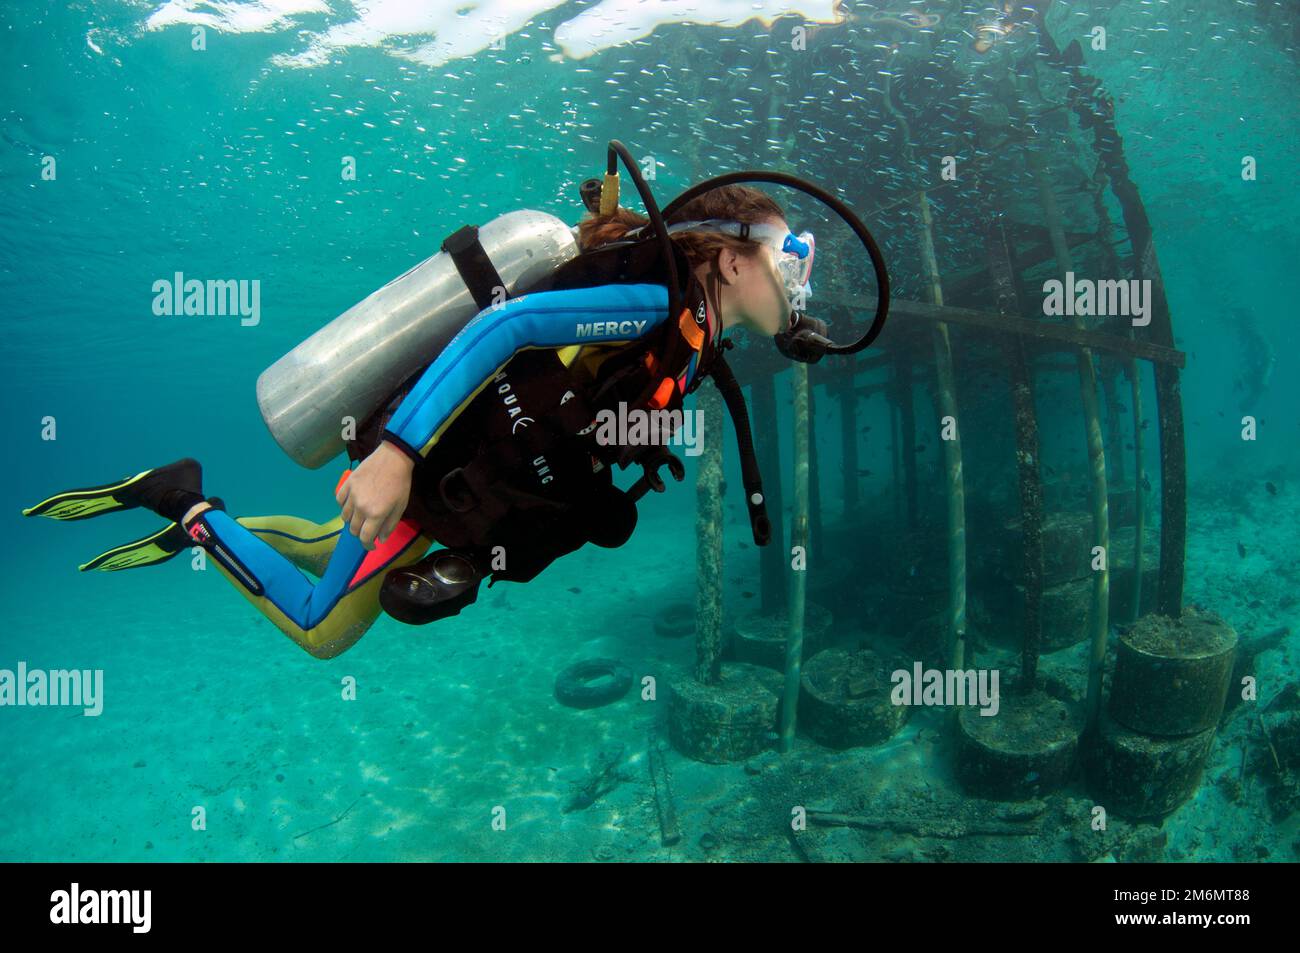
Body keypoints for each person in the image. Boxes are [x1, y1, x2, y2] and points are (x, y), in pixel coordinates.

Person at [23, 185, 815, 659]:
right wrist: (397, 453)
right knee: (321, 628)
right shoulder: (654, 303)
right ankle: (187, 506)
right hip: (434, 461)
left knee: (321, 543)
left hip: (469, 477)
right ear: (735, 258)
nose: (800, 274)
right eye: (790, 254)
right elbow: (507, 328)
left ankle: (202, 515)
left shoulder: (693, 336)